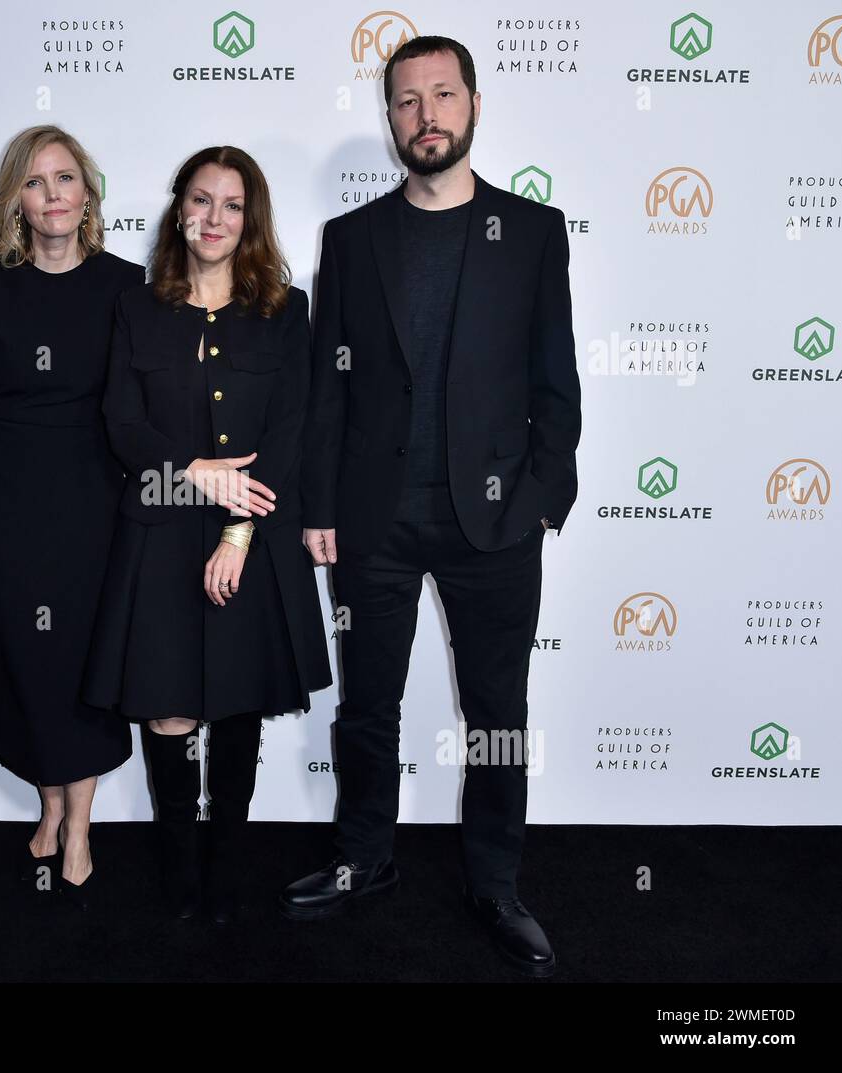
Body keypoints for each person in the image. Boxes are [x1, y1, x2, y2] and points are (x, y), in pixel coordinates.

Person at [278, 37, 580, 978]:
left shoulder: (531, 230)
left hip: (493, 519)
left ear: (475, 105)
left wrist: (541, 499)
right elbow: (330, 387)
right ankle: (364, 857)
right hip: (374, 518)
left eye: (442, 95)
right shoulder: (353, 237)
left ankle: (495, 880)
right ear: (389, 118)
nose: (426, 115)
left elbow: (555, 384)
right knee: (368, 702)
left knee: (495, 708)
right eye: (407, 101)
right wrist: (319, 503)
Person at [83, 146, 332, 924]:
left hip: (249, 535)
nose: (215, 217)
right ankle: (177, 866)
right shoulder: (136, 305)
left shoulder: (286, 313)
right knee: (167, 708)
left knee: (234, 703)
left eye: (232, 204)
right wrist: (193, 468)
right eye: (201, 199)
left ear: (250, 219)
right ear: (179, 210)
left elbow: (291, 433)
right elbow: (121, 421)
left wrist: (237, 532)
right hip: (156, 532)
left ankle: (226, 861)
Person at [0, 126, 143, 909]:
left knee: (84, 663)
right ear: (17, 200)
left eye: (66, 179)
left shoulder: (127, 286)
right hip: (5, 502)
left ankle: (80, 823)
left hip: (97, 503)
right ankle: (49, 805)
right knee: (25, 660)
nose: (53, 196)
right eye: (36, 183)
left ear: (87, 193)